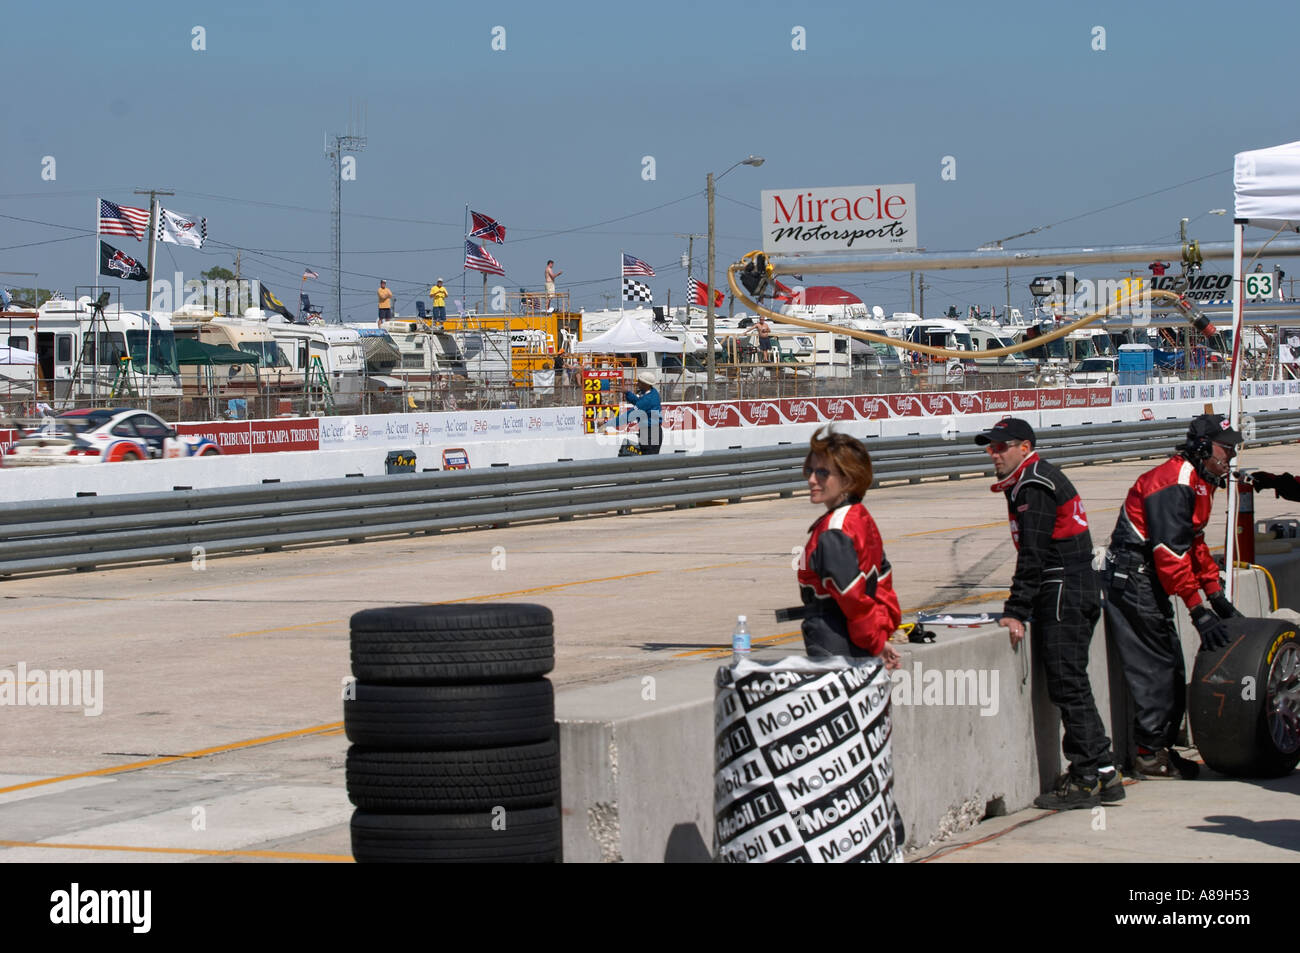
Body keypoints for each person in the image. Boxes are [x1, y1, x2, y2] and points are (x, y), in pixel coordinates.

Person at [975, 418, 1122, 809]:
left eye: (1000, 446)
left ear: (1024, 447)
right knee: (1072, 680)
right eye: (990, 447)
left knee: (1066, 683)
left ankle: (1086, 776)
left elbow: (1034, 554)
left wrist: (1016, 609)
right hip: (1076, 586)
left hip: (1063, 588)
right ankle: (1104, 772)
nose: (993, 454)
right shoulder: (1038, 476)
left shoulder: (1034, 484)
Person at [1102, 413, 1244, 780]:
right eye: (1225, 449)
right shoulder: (1175, 480)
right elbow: (1170, 553)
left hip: (1147, 578)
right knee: (1159, 667)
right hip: (1134, 578)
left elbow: (1194, 543)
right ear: (1201, 447)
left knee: (1169, 664)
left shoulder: (1200, 481)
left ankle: (1158, 749)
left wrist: (1217, 597)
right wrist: (1198, 611)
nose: (1229, 456)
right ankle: (1149, 754)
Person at [795, 427, 902, 669]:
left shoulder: (834, 530)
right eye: (809, 470)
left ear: (848, 479)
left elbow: (852, 598)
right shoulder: (860, 517)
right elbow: (882, 584)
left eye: (822, 473)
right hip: (858, 639)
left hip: (834, 639)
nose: (812, 479)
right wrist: (880, 636)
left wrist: (875, 642)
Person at [606, 369, 661, 455]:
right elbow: (640, 403)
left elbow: (628, 416)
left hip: (650, 434)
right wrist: (627, 393)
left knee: (647, 463)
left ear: (645, 384)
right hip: (652, 432)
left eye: (639, 382)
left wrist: (607, 422)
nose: (637, 383)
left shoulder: (647, 399)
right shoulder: (653, 392)